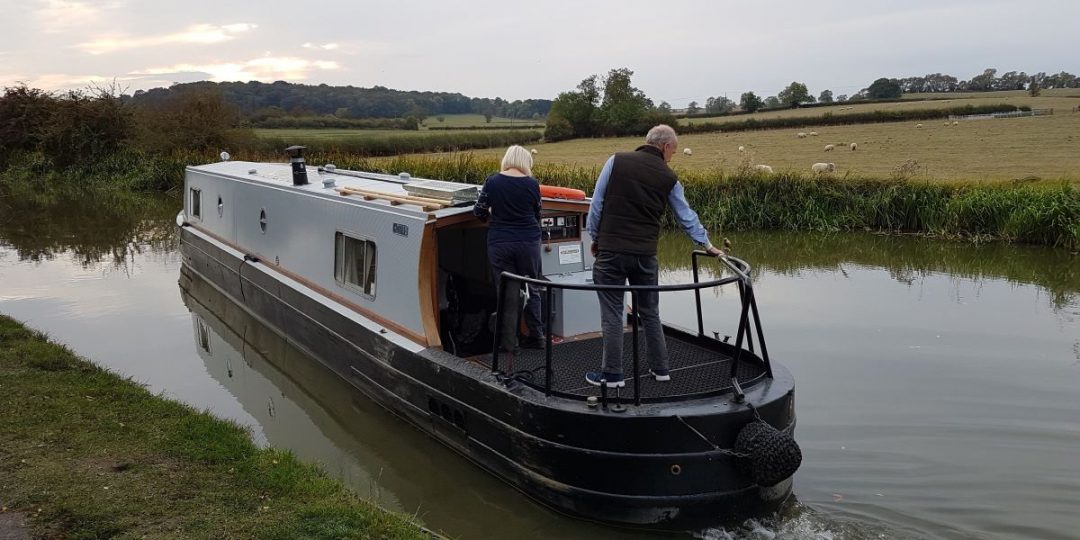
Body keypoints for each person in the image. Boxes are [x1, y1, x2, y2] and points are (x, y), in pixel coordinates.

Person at [585, 125, 723, 387]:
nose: (674, 155)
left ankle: (613, 375)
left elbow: (597, 204)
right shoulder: (669, 177)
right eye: (674, 150)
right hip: (645, 256)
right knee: (650, 312)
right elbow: (686, 216)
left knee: (613, 313)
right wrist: (706, 244)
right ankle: (661, 370)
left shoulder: (616, 161)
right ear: (664, 146)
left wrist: (595, 239)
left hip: (611, 252)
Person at [473, 145, 546, 349]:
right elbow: (537, 214)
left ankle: (508, 342)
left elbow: (478, 211)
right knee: (532, 288)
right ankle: (537, 336)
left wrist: (490, 213)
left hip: (501, 241)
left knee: (506, 290)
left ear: (506, 159)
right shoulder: (532, 184)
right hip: (529, 242)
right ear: (526, 162)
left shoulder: (493, 181)